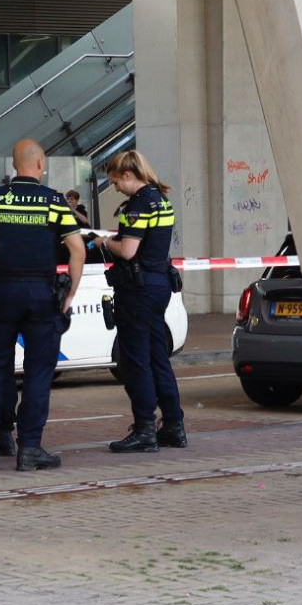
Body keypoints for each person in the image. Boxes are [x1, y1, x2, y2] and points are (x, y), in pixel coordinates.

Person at [0, 140, 85, 473]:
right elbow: (78, 249)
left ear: (14, 165)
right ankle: (29, 448)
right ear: (40, 164)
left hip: (0, 293)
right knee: (38, 373)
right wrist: (70, 293)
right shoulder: (55, 201)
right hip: (42, 294)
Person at [89, 150, 185, 453]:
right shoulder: (162, 200)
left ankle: (144, 428)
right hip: (159, 285)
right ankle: (174, 425)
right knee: (158, 357)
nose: (116, 187)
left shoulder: (139, 204)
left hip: (137, 290)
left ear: (128, 175)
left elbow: (129, 250)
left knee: (135, 360)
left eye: (116, 181)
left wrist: (105, 242)